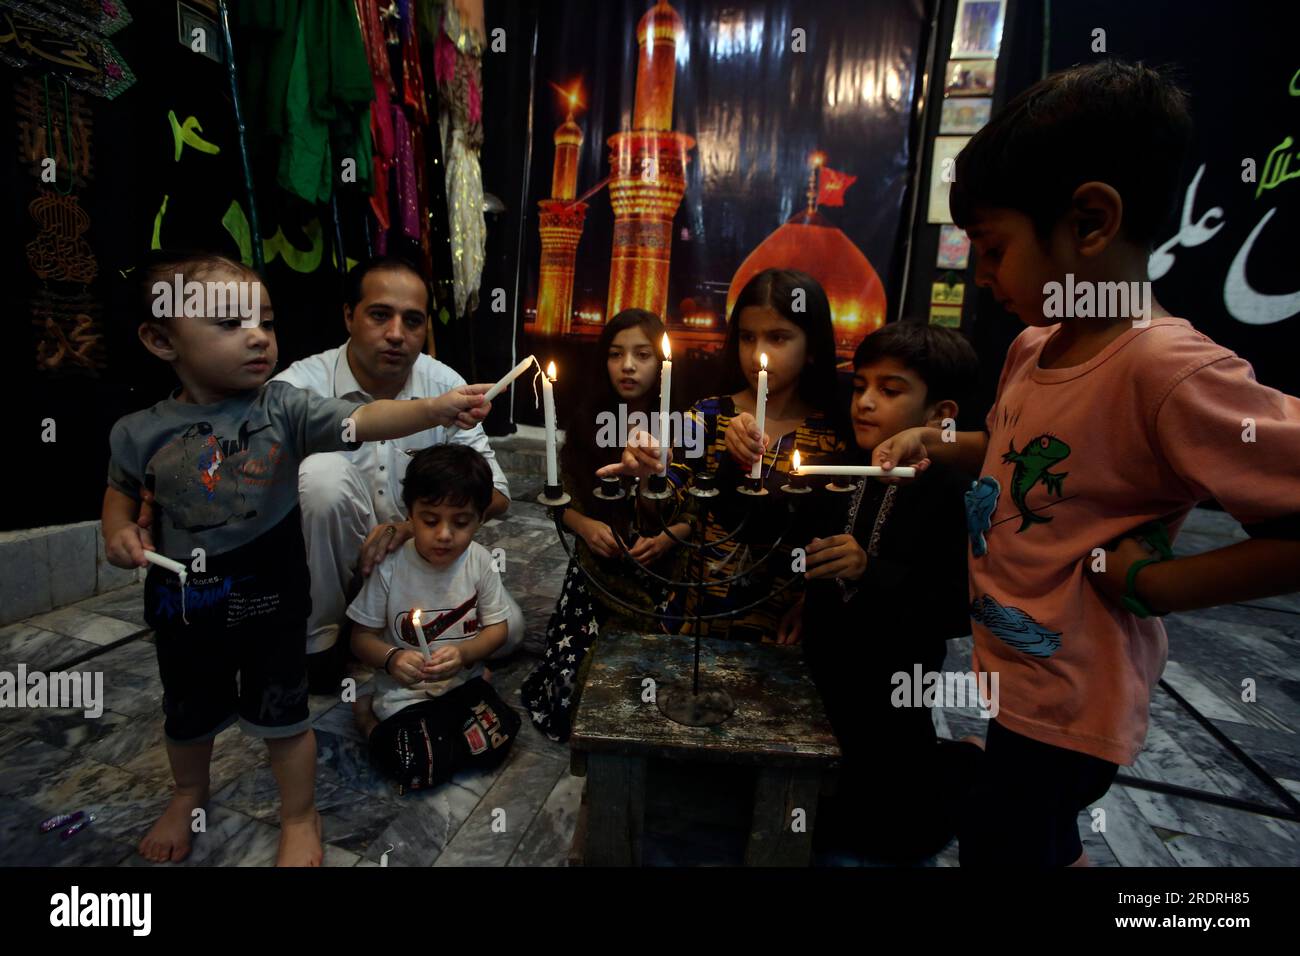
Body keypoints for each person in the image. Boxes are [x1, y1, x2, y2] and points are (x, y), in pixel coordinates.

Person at [873, 61, 1300, 867]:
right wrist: (936, 443)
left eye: (994, 249)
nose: (984, 274)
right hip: (1016, 677)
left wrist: (1157, 584)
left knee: (1001, 844)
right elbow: (1012, 454)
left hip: (1073, 704)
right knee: (1026, 830)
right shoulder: (1037, 346)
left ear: (1092, 221)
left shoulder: (1167, 372)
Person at [102, 251, 494, 865]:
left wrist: (431, 410)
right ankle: (187, 792)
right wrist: (118, 529)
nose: (258, 337)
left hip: (271, 602)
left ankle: (299, 814)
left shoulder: (283, 407)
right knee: (186, 710)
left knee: (284, 719)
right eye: (230, 325)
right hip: (185, 606)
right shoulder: (137, 431)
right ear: (160, 339)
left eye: (265, 321)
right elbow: (122, 491)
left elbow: (366, 418)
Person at [273, 256, 521, 693]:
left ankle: (381, 639)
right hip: (324, 569)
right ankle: (323, 642)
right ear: (349, 316)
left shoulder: (441, 382)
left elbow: (498, 495)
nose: (396, 334)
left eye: (412, 321)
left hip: (416, 563)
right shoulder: (301, 385)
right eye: (380, 315)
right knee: (323, 476)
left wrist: (412, 528)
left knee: (509, 630)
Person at [797, 322, 984, 862]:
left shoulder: (956, 494)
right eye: (860, 386)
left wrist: (870, 570)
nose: (866, 402)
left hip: (894, 694)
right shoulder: (842, 470)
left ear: (939, 416)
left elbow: (955, 609)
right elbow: (804, 553)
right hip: (824, 679)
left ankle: (966, 760)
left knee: (892, 834)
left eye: (891, 389)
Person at [601, 268, 849, 643]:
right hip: (699, 614)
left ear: (811, 345)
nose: (758, 354)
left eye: (778, 338)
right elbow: (662, 515)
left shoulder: (832, 437)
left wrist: (813, 601)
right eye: (748, 338)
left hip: (782, 627)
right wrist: (649, 475)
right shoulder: (707, 417)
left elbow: (835, 536)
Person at [520, 309, 688, 741]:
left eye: (642, 354)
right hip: (595, 576)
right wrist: (585, 525)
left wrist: (670, 533)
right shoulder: (588, 420)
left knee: (641, 694)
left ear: (663, 363)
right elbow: (560, 499)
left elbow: (695, 514)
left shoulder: (687, 425)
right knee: (574, 697)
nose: (628, 366)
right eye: (616, 354)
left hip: (656, 582)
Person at [347, 445, 522, 793]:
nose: (444, 534)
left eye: (460, 522)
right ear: (409, 515)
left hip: (459, 684)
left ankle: (459, 717)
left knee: (499, 738)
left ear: (480, 519)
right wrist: (392, 658)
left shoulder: (480, 562)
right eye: (430, 520)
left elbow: (498, 629)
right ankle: (367, 720)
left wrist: (466, 654)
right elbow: (360, 637)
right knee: (418, 765)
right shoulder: (391, 566)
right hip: (405, 694)